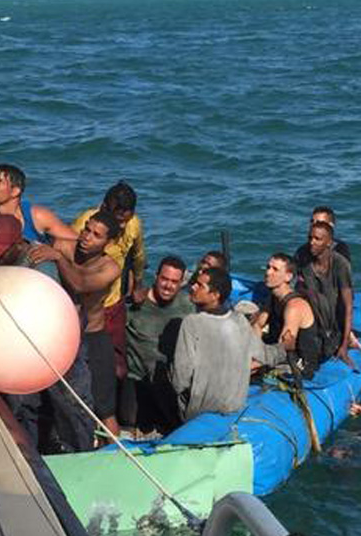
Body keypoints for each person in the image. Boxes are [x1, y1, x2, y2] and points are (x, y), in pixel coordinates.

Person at [0, 215, 96, 455]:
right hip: (23, 339)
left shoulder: (40, 264)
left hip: (56, 338)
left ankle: (80, 453)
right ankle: (30, 454)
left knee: (69, 403)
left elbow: (49, 314)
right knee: (23, 403)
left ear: (17, 244)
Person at [30, 211, 123, 440]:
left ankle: (114, 456)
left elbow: (80, 285)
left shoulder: (109, 268)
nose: (86, 237)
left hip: (93, 335)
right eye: (86, 230)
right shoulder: (62, 245)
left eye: (96, 235)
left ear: (108, 242)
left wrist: (59, 259)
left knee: (105, 410)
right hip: (63, 335)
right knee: (57, 401)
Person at [72, 182, 146, 426]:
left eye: (126, 220)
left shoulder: (133, 225)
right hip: (89, 306)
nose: (122, 226)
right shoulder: (87, 223)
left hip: (114, 303)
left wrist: (137, 286)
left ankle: (125, 421)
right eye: (118, 219)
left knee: (118, 368)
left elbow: (138, 257)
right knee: (85, 367)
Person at [170, 267, 268, 424]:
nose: (193, 287)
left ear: (215, 295)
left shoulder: (191, 323)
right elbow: (261, 354)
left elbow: (181, 379)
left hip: (199, 410)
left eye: (200, 286)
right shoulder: (239, 320)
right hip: (233, 406)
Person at [124, 256, 194, 435]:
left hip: (172, 381)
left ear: (181, 283)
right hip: (138, 381)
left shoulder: (188, 304)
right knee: (129, 424)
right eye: (164, 279)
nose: (168, 286)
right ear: (156, 276)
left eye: (174, 281)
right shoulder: (134, 305)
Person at [251, 253, 322, 378]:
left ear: (288, 277)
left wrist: (253, 364)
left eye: (275, 269)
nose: (268, 272)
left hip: (298, 362)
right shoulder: (273, 297)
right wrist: (254, 351)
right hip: (275, 350)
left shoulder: (294, 307)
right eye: (268, 267)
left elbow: (284, 347)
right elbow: (258, 324)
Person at [297, 220, 355, 365]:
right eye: (310, 238)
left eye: (318, 239)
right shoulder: (303, 256)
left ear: (329, 242)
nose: (312, 242)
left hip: (331, 323)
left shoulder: (340, 264)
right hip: (311, 318)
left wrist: (343, 345)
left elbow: (348, 306)